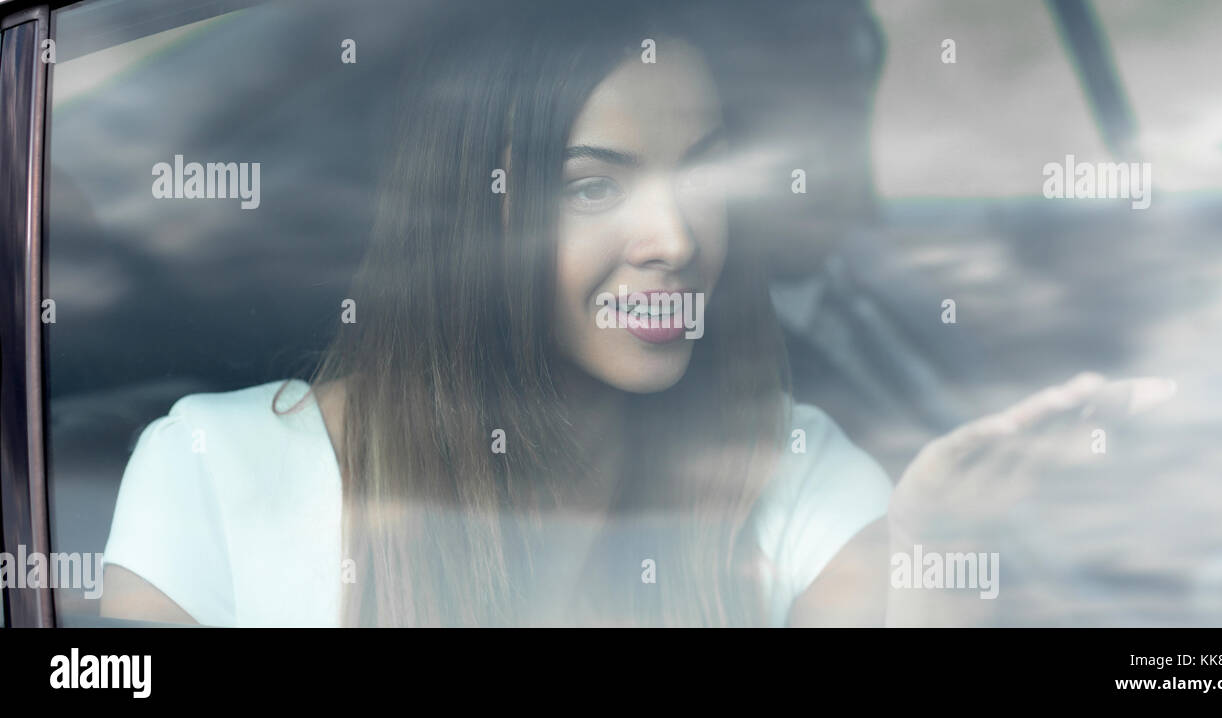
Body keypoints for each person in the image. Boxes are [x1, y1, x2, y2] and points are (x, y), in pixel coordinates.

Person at [98, 0, 895, 627]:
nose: (676, 241)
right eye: (593, 188)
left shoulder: (797, 475)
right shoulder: (209, 475)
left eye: (699, 180)